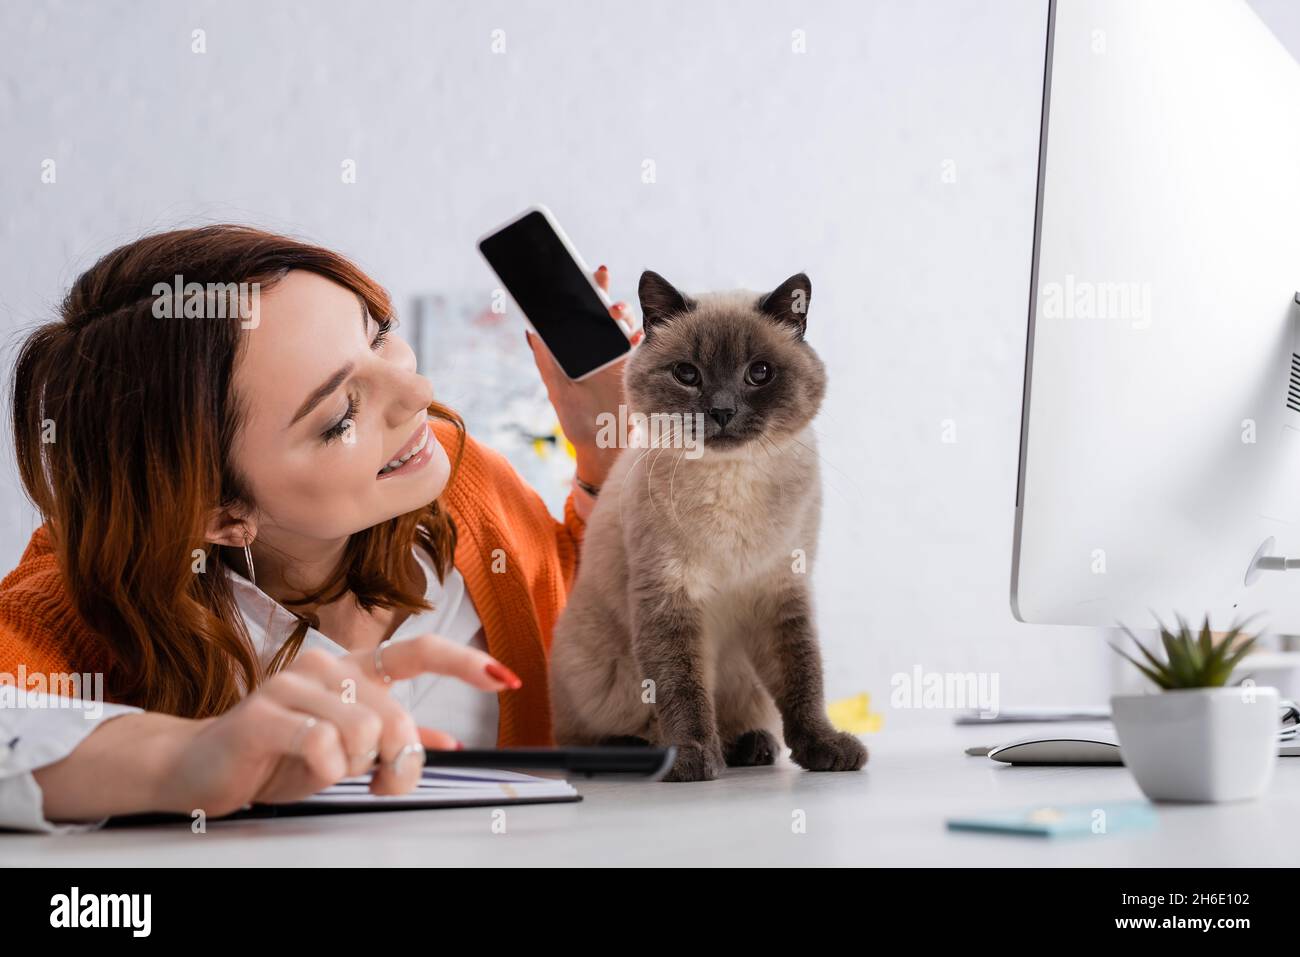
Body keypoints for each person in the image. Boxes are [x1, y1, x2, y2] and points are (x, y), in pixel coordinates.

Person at [0, 225, 637, 831]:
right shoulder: (85, 588)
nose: (416, 390)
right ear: (221, 515)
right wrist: (185, 757)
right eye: (338, 416)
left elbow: (589, 610)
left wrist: (608, 450)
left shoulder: (458, 481)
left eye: (378, 333)